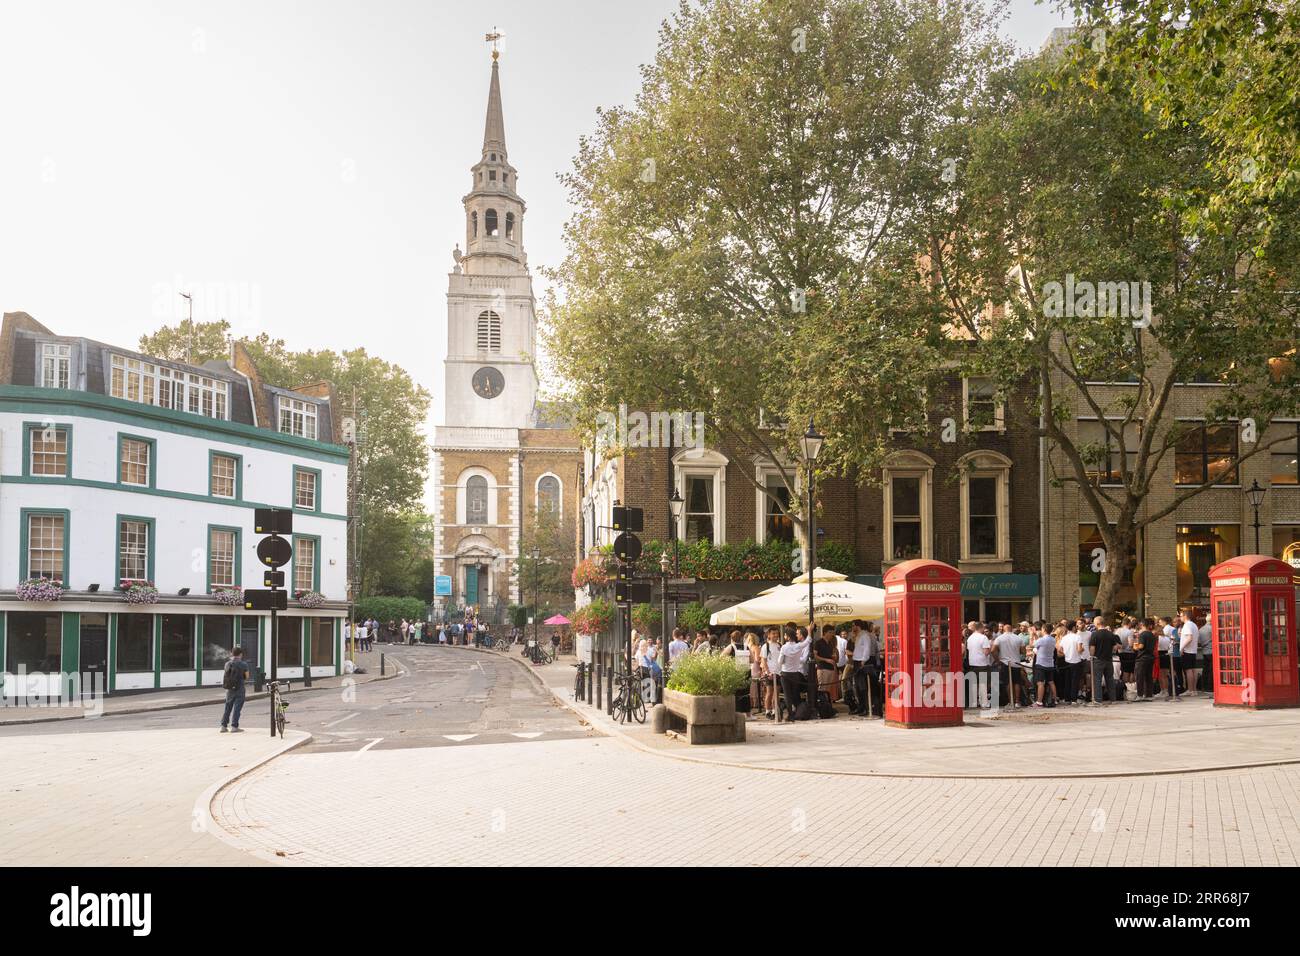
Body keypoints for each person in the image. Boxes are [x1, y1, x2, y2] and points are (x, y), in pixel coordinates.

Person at [778, 627, 812, 717]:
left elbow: (780, 661)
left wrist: (785, 661)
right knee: (794, 694)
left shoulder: (784, 647)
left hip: (785, 673)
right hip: (795, 673)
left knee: (787, 694)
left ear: (788, 637)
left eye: (785, 635)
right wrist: (809, 630)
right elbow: (808, 640)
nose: (784, 636)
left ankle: (790, 714)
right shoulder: (798, 646)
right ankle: (795, 712)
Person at [1088, 614, 1120, 705]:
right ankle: (1113, 699)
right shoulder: (1110, 634)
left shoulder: (1095, 634)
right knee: (1110, 679)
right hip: (1109, 659)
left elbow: (1092, 648)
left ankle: (1098, 699)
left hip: (1098, 659)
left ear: (1097, 623)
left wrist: (1091, 656)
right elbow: (1115, 647)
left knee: (1097, 680)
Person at [220, 646, 250, 733]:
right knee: (237, 708)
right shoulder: (244, 664)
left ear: (231, 654)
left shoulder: (227, 664)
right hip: (240, 688)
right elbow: (247, 677)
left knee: (227, 707)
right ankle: (234, 726)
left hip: (229, 689)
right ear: (241, 654)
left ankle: (223, 726)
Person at [965, 623, 994, 709]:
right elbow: (986, 652)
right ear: (981, 628)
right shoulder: (983, 637)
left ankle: (974, 702)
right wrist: (991, 647)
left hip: (972, 663)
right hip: (982, 663)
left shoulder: (970, 638)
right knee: (984, 684)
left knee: (975, 684)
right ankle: (984, 702)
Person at [760, 626, 783, 720]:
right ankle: (767, 710)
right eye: (773, 633)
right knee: (769, 693)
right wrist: (767, 672)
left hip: (778, 672)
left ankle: (774, 710)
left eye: (777, 633)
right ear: (769, 635)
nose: (775, 635)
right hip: (769, 673)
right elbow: (763, 660)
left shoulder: (780, 645)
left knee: (776, 693)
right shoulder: (766, 646)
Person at [813, 624, 840, 705]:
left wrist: (833, 657)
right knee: (822, 689)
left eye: (832, 633)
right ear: (825, 633)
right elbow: (815, 656)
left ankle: (827, 706)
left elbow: (831, 656)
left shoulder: (830, 644)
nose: (832, 634)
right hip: (822, 669)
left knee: (828, 690)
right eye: (830, 632)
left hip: (831, 669)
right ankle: (822, 706)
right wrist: (826, 660)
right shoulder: (818, 643)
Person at [1033, 627, 1059, 707]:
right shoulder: (1053, 640)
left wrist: (1032, 636)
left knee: (1040, 683)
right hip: (1050, 664)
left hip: (1041, 663)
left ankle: (1039, 702)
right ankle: (1055, 699)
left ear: (1043, 629)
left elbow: (1033, 645)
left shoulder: (1041, 640)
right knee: (1051, 682)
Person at [1133, 618, 1157, 700]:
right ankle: (1149, 695)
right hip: (1150, 657)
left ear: (1142, 625)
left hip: (1142, 658)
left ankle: (1140, 695)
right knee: (1148, 677)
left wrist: (1135, 646)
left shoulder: (1143, 634)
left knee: (1139, 676)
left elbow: (1141, 646)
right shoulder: (1152, 634)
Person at [1178, 609, 1200, 697]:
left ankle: (1190, 690)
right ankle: (1194, 690)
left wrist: (1182, 648)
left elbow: (1189, 638)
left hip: (1187, 650)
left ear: (1185, 616)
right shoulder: (1194, 625)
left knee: (1188, 671)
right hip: (1193, 650)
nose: (1180, 617)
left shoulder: (1187, 625)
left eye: (1181, 616)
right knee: (1193, 670)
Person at [744, 633, 764, 716]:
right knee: (756, 687)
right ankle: (756, 703)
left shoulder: (747, 648)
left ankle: (752, 703)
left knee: (752, 687)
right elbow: (757, 659)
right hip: (756, 667)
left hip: (750, 667)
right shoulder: (756, 647)